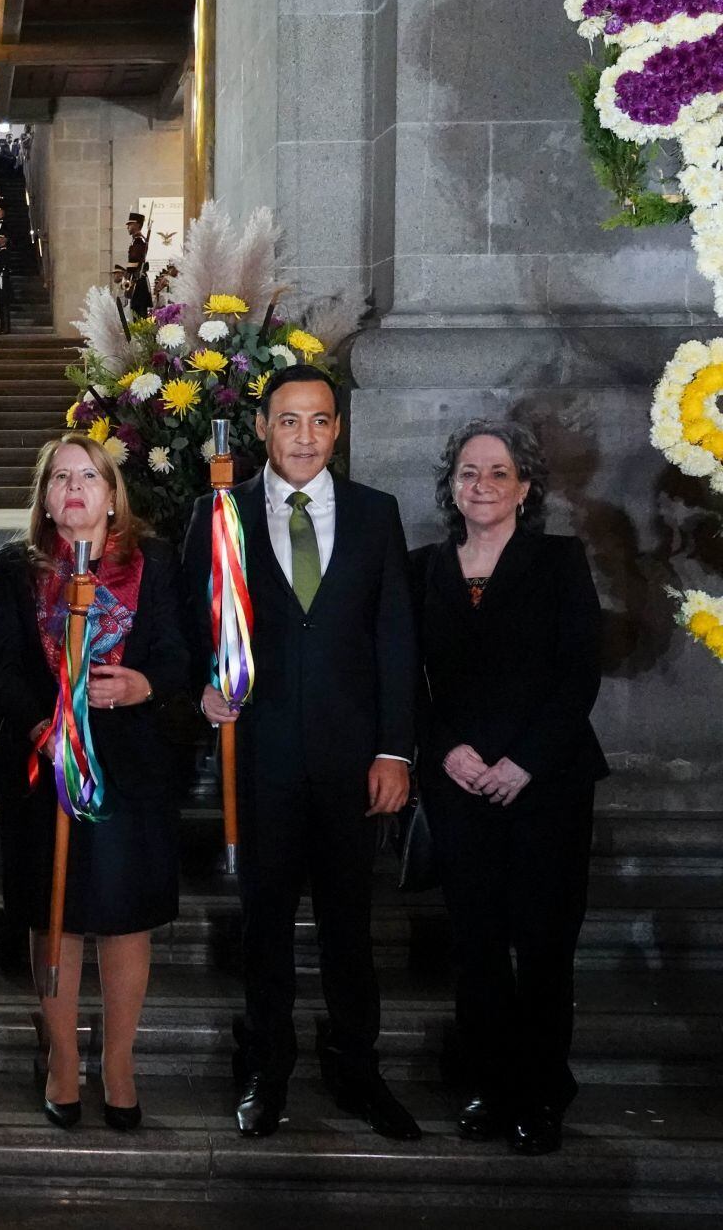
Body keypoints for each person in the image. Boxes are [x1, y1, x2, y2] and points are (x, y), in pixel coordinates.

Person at [183, 363, 420, 1142]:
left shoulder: (375, 514)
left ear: (337, 429)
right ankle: (268, 1069)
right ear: (261, 429)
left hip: (355, 763)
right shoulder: (220, 514)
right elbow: (191, 627)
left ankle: (358, 1069)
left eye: (320, 421)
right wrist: (201, 690)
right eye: (289, 421)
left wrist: (395, 750)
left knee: (353, 927)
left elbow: (394, 640)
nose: (305, 436)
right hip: (261, 759)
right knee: (267, 926)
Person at [408, 419, 606, 1156]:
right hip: (458, 784)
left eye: (497, 472)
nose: (481, 485)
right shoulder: (422, 567)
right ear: (451, 486)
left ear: (525, 487)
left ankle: (542, 1093)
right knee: (478, 945)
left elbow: (578, 672)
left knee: (545, 945)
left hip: (546, 782)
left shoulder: (558, 561)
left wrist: (523, 761)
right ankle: (490, 1085)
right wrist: (444, 749)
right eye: (468, 472)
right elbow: (407, 677)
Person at [0, 436, 189, 1132]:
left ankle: (120, 1063)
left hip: (132, 760)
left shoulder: (154, 563)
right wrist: (48, 723)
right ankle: (64, 1060)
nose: (74, 489)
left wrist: (143, 684)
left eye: (88, 477)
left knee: (125, 917)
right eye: (60, 478)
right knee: (58, 914)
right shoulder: (17, 567)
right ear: (45, 497)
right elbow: (4, 666)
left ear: (111, 494)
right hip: (45, 760)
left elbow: (178, 653)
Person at [123, 213, 154, 318]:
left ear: (137, 225)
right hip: (138, 281)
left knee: (138, 314)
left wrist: (127, 276)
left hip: (138, 282)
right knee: (137, 313)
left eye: (130, 224)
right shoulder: (137, 240)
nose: (127, 227)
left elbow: (134, 261)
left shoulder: (138, 241)